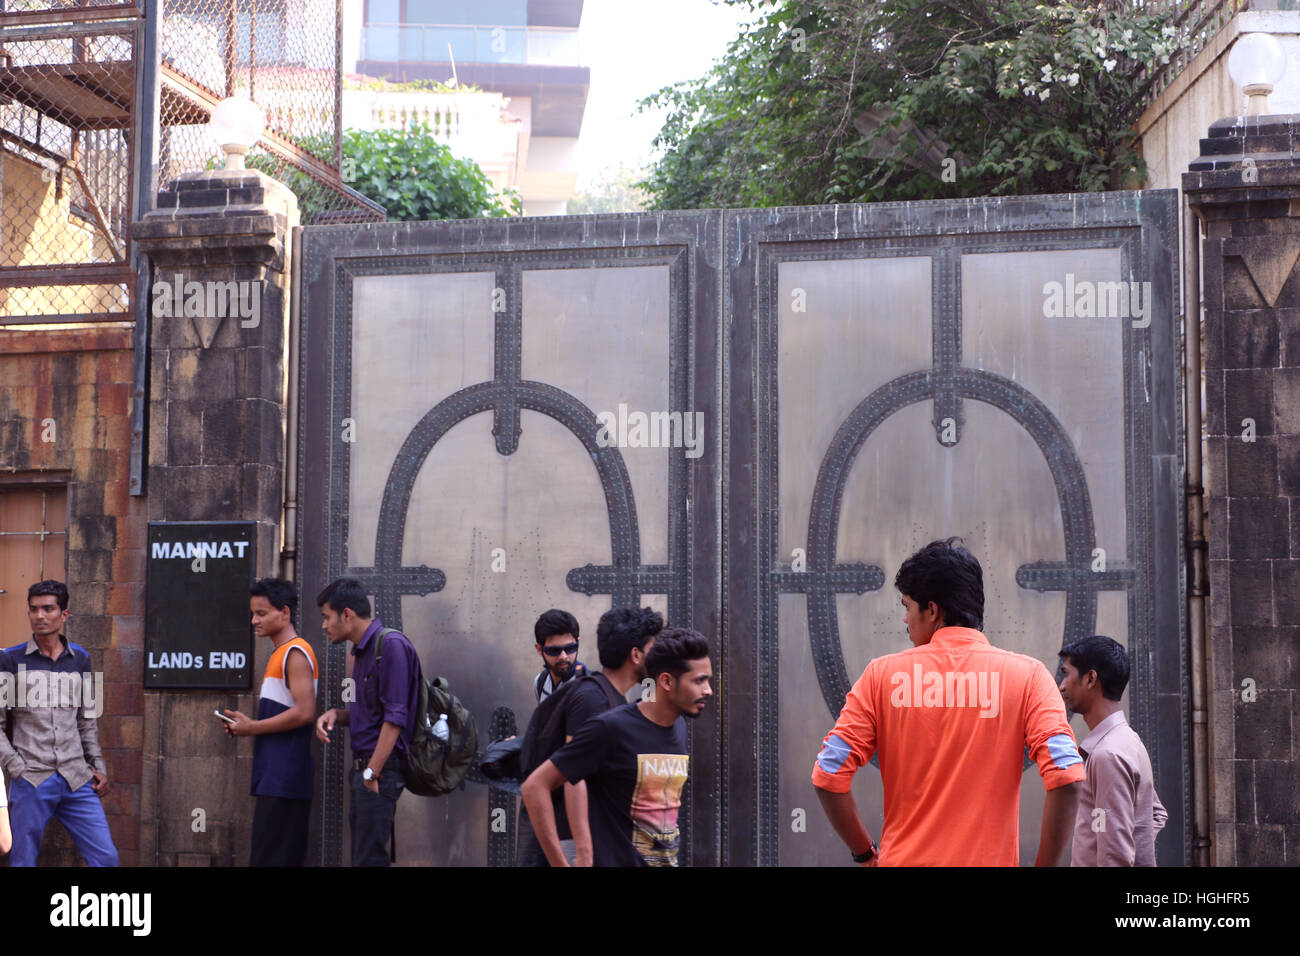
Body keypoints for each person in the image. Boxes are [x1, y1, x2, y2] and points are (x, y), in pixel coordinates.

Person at [812, 538, 1085, 866]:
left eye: (907, 606)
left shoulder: (880, 676)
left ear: (932, 609)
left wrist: (865, 852)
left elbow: (828, 772)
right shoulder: (1029, 677)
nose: (905, 619)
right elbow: (1068, 776)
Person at [521, 627, 712, 867]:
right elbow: (534, 787)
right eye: (699, 681)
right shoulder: (611, 728)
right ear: (665, 681)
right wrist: (565, 860)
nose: (708, 690)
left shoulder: (679, 727)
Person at [516, 605, 663, 867]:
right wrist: (582, 852)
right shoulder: (593, 699)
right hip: (572, 837)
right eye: (653, 650)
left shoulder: (608, 696)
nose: (564, 656)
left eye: (570, 648)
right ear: (636, 655)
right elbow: (574, 776)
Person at [0, 580, 118, 867]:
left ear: (64, 614)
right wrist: (16, 767)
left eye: (48, 609)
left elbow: (88, 718)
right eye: (34, 609)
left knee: (106, 858)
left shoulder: (82, 659)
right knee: (22, 861)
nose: (40, 616)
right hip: (32, 777)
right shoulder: (9, 660)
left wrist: (98, 765)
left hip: (76, 777)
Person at [313, 577, 420, 867]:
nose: (324, 626)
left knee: (369, 860)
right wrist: (337, 714)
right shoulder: (361, 652)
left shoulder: (391, 645)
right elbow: (371, 714)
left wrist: (372, 773)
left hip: (380, 770)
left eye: (326, 618)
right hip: (366, 770)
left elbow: (394, 719)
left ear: (346, 614)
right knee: (364, 858)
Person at [220, 577, 318, 866]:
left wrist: (252, 728)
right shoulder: (282, 653)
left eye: (261, 613)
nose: (254, 621)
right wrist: (248, 724)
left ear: (284, 613)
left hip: (285, 778)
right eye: (253, 613)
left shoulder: (295, 652)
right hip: (277, 777)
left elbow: (305, 712)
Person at [1058, 635, 1168, 866]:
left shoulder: (1107, 754)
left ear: (1090, 678)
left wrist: (1124, 842)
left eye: (1066, 673)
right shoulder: (1129, 740)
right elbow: (1155, 814)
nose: (1061, 685)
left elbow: (1114, 857)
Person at [532, 608, 587, 703]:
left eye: (570, 648)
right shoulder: (540, 682)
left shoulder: (588, 689)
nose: (563, 656)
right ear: (539, 649)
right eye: (554, 650)